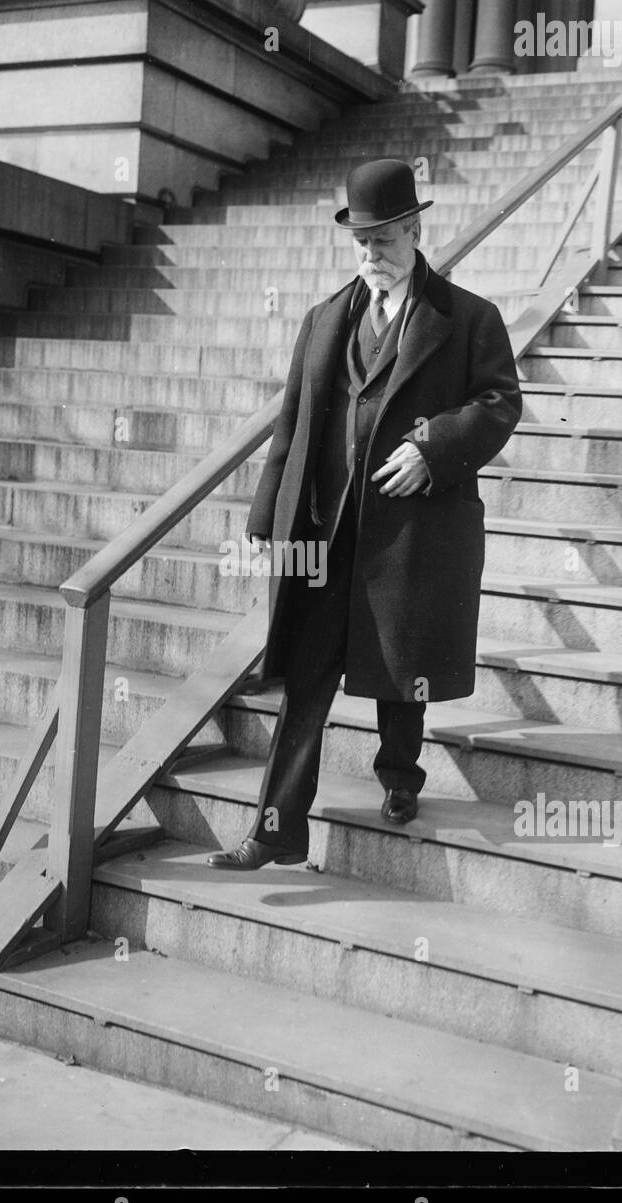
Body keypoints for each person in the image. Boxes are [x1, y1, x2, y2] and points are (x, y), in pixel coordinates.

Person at [209, 158, 522, 871]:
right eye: (360, 241)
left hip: (411, 524)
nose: (371, 253)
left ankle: (400, 778)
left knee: (401, 659)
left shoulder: (466, 317)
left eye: (384, 238)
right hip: (324, 528)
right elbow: (291, 425)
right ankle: (276, 829)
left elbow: (499, 402)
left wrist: (433, 451)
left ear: (414, 231)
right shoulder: (326, 318)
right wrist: (268, 520)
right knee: (304, 677)